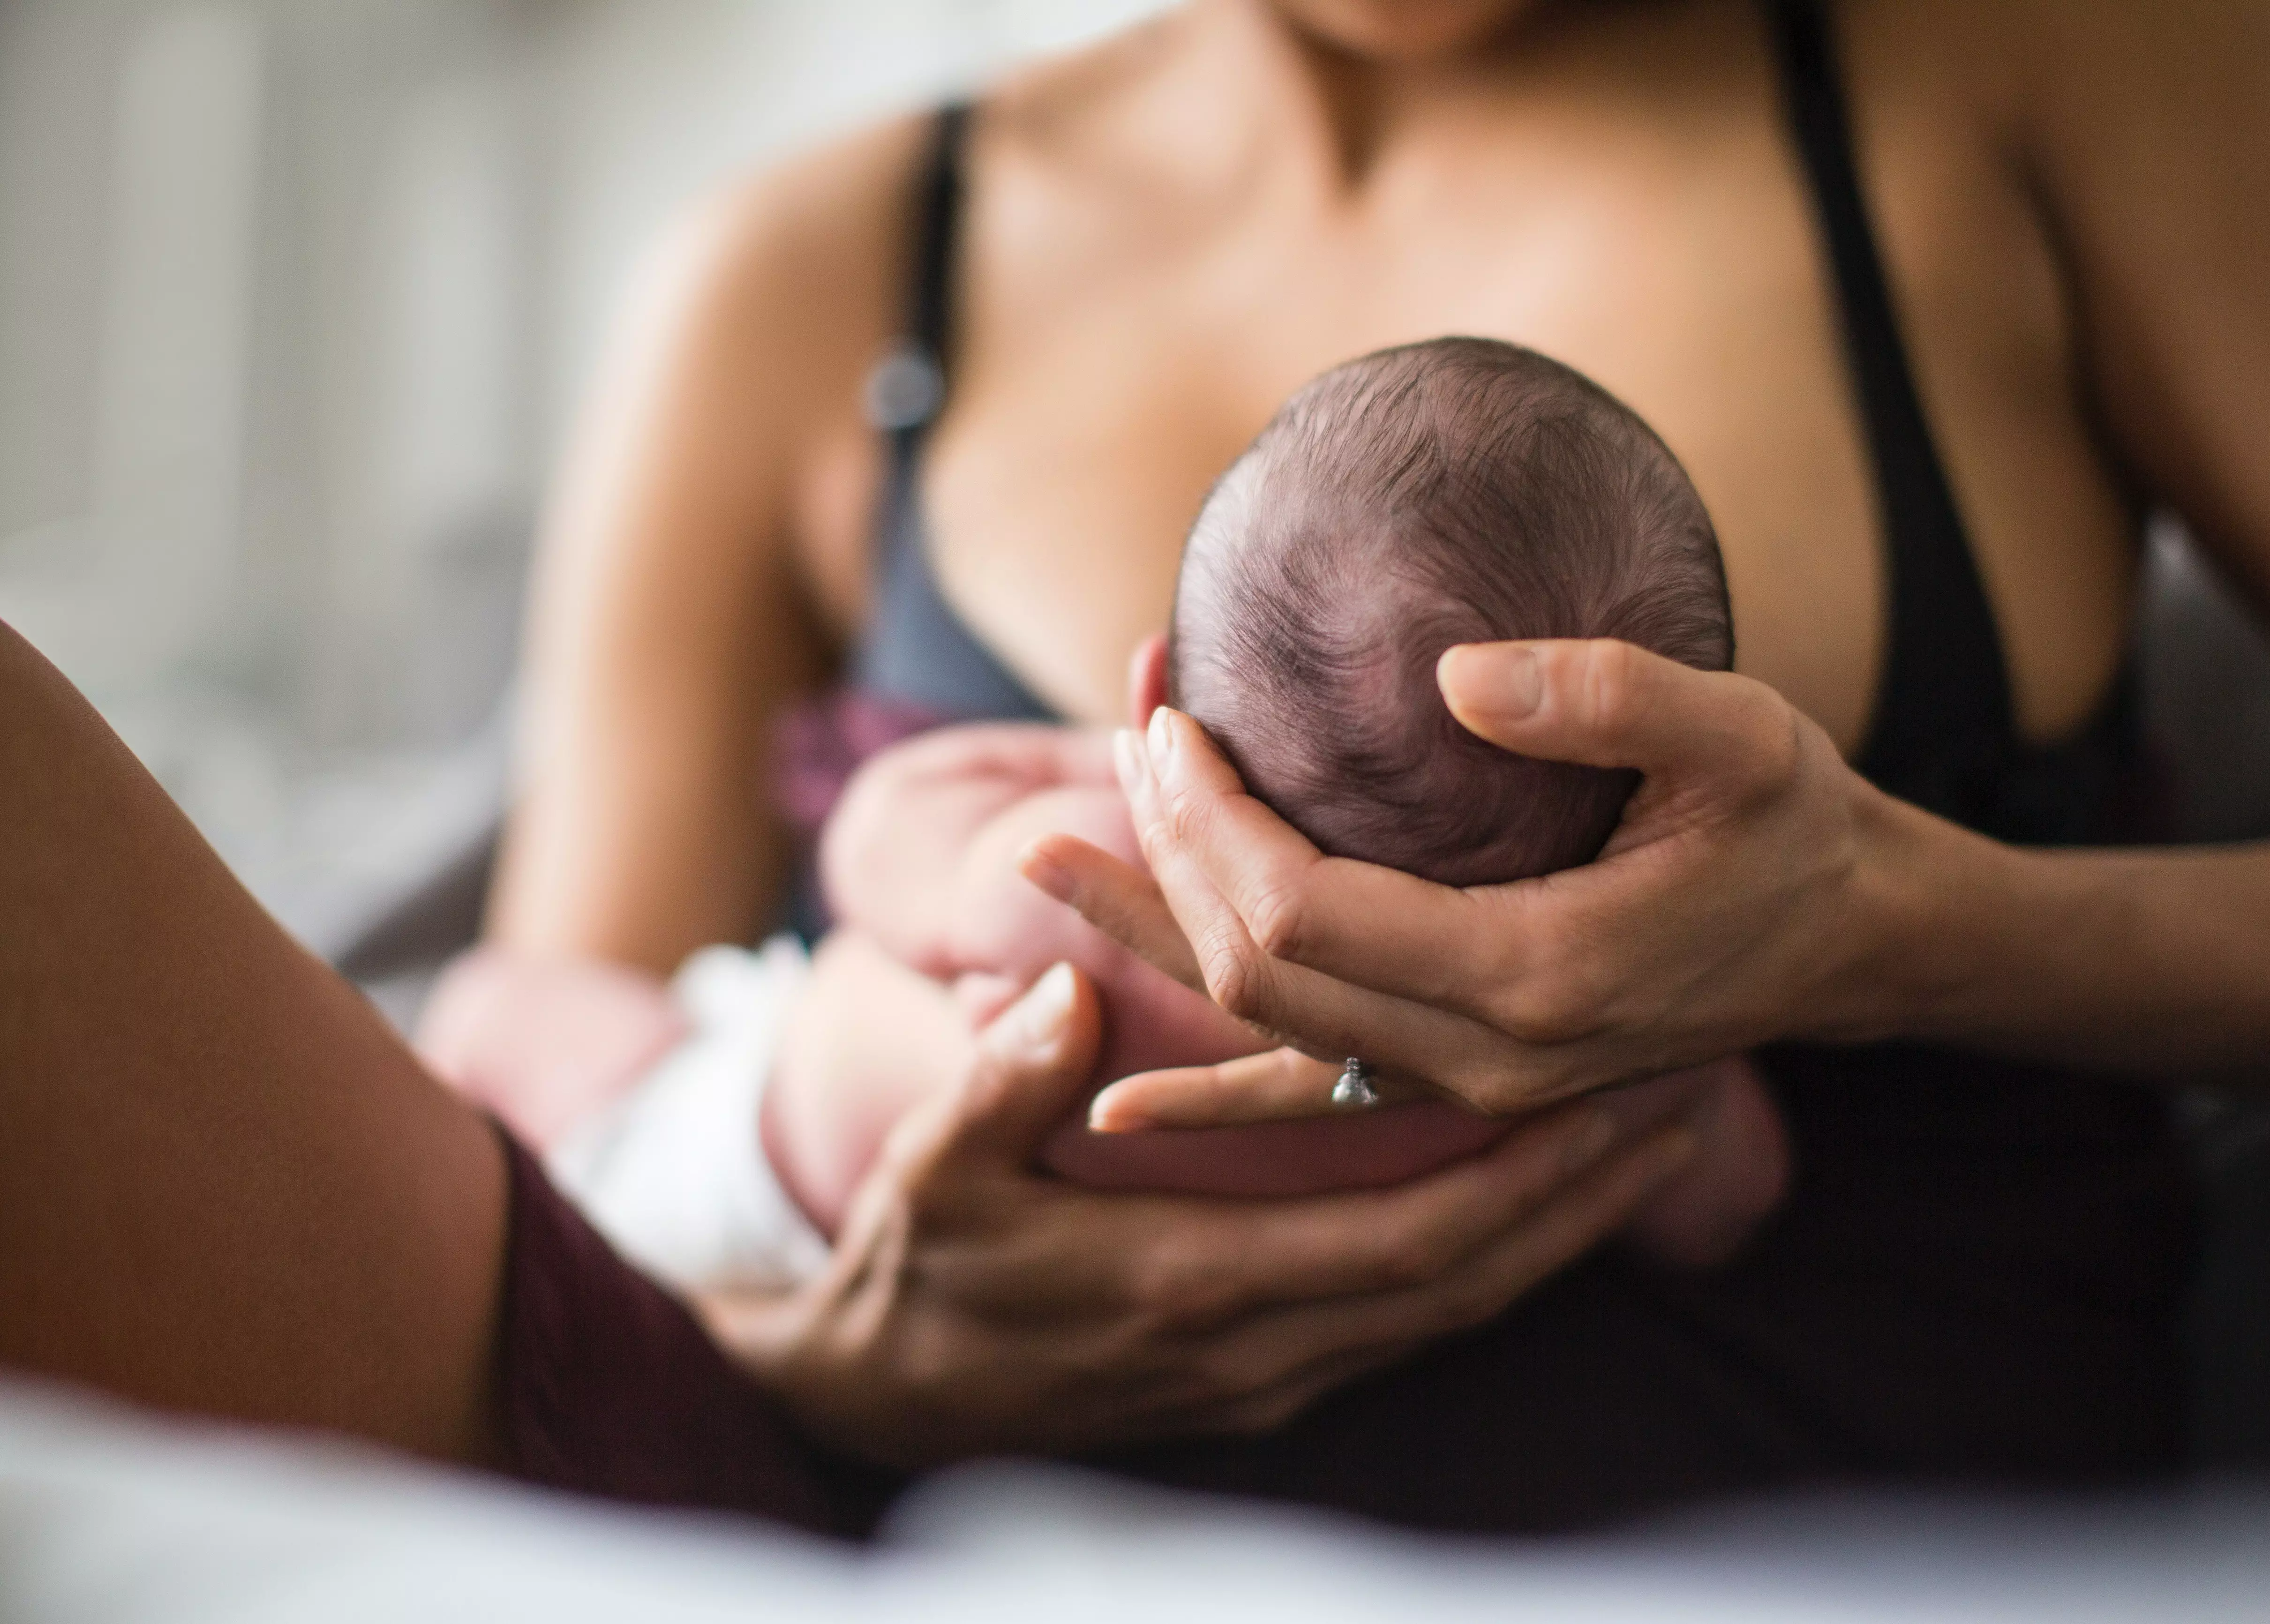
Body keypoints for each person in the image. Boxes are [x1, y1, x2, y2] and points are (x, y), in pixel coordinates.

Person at [4, 0, 2270, 1540]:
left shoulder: (2046, 54)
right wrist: (840, 1350)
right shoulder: (800, 277)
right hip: (817, 1461)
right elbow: (552, 1158)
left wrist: (1900, 927)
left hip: (1737, 1493)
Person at [442, 337, 1784, 1270]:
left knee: (489, 1013)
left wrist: (1088, 768)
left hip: (746, 1191)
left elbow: (866, 855)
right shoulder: (1597, 1034)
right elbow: (1733, 1199)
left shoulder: (1083, 867)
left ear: (1155, 696)